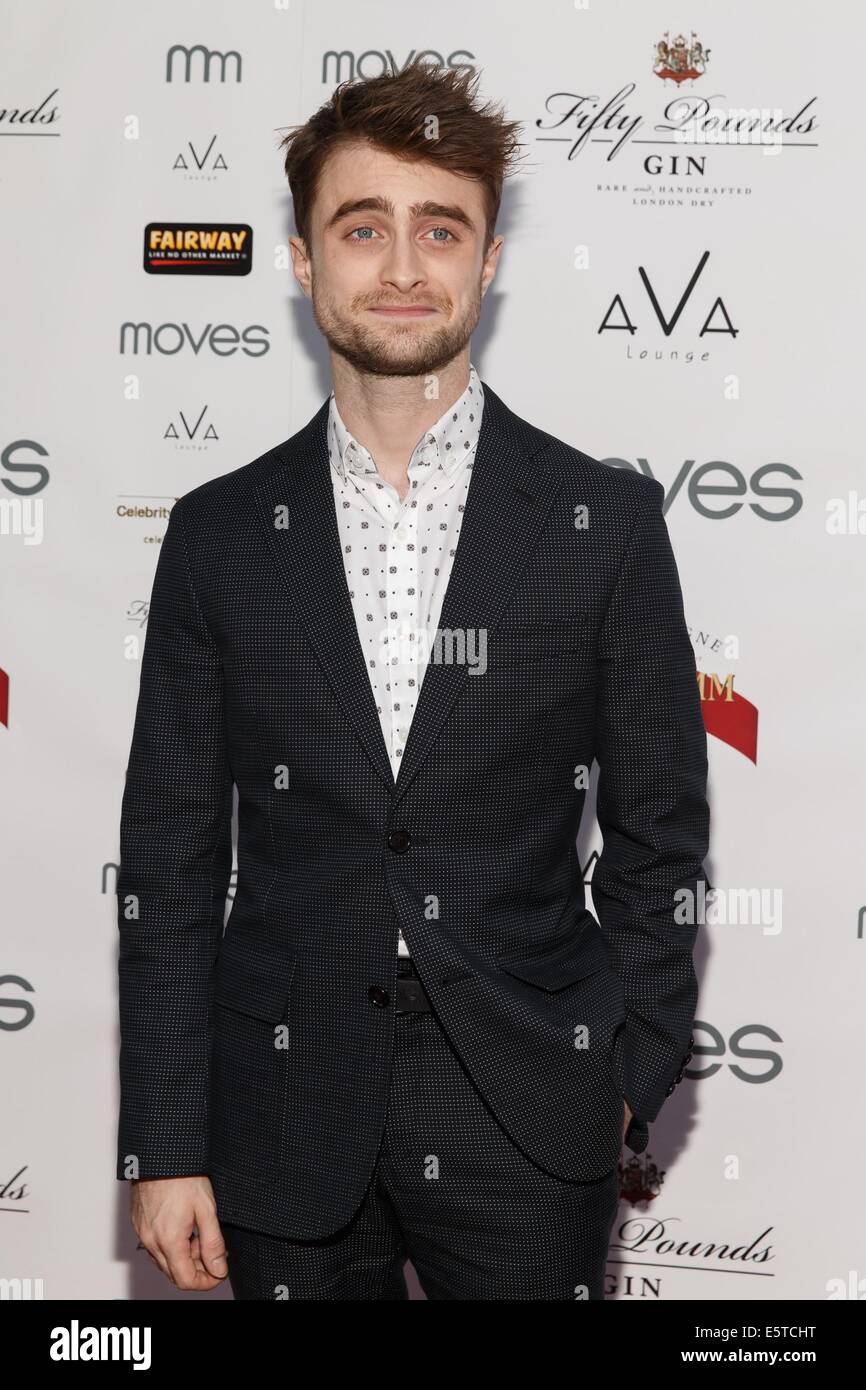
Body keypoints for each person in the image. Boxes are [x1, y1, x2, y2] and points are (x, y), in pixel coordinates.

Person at [116, 57, 709, 1301]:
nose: (400, 268)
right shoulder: (221, 534)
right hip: (282, 1105)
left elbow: (660, 835)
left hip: (528, 1115)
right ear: (301, 258)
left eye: (438, 230)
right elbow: (168, 864)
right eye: (361, 227)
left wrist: (625, 1071)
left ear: (486, 262)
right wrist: (166, 1143)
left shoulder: (600, 522)